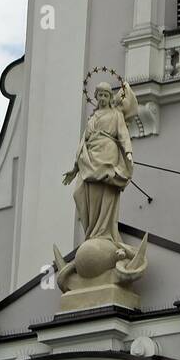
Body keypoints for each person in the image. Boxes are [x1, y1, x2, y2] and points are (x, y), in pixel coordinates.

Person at [63, 81, 137, 250]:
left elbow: (123, 134)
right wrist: (75, 168)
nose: (102, 98)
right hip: (89, 157)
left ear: (110, 97)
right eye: (100, 95)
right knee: (79, 193)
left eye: (106, 95)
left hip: (107, 154)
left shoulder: (116, 114)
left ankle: (103, 232)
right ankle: (92, 232)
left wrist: (128, 152)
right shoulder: (93, 118)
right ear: (95, 97)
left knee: (105, 191)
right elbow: (83, 141)